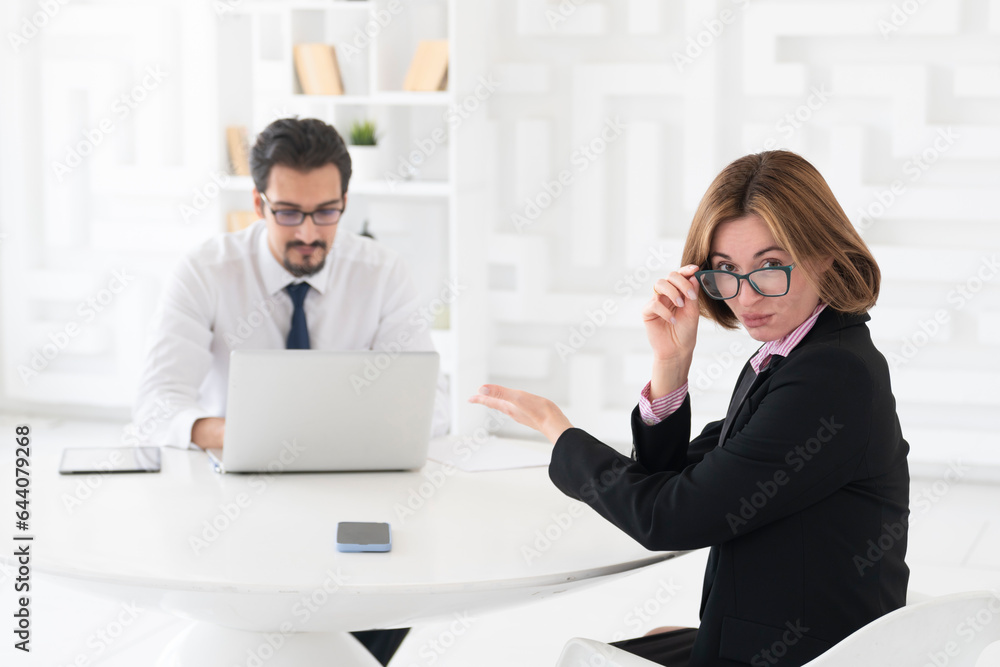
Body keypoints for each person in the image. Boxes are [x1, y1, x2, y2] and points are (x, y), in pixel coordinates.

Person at [470, 150, 909, 667]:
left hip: (810, 655)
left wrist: (557, 430)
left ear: (823, 255)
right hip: (783, 637)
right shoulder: (794, 355)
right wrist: (671, 364)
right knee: (652, 637)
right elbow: (675, 478)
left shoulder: (831, 377)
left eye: (770, 266)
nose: (744, 298)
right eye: (725, 271)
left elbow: (669, 518)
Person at [132, 117, 446, 664]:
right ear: (258, 204)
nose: (308, 233)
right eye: (288, 214)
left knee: (406, 584)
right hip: (233, 488)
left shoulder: (382, 273)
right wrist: (238, 434)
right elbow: (156, 405)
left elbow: (429, 407)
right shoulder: (205, 271)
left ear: (345, 202)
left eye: (326, 213)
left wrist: (358, 433)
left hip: (351, 484)